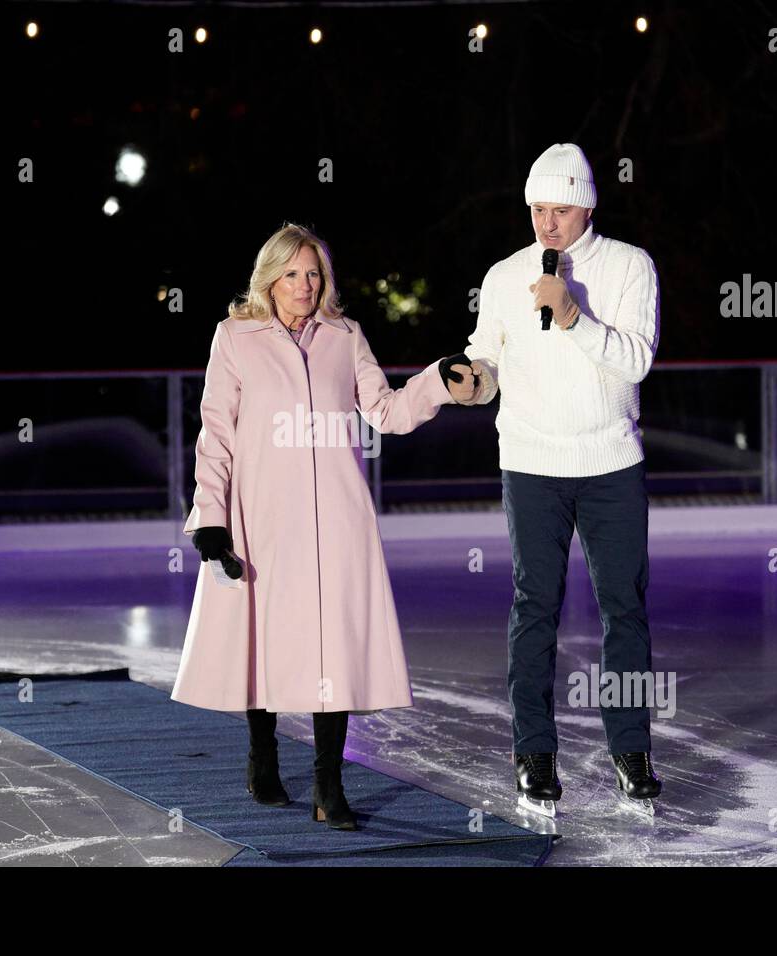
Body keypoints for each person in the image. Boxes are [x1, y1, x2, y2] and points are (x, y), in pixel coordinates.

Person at [173, 223, 475, 830]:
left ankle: (328, 785)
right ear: (269, 279)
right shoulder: (236, 338)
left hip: (337, 518)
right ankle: (263, 756)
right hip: (262, 515)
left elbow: (385, 411)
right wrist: (210, 518)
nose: (304, 286)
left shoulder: (345, 336)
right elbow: (217, 434)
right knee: (264, 637)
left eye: (313, 274)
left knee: (330, 643)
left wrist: (438, 380)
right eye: (292, 274)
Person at [454, 143, 664, 815]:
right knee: (534, 608)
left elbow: (634, 362)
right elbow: (487, 363)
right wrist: (471, 383)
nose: (548, 224)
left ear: (589, 206)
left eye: (561, 209)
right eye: (538, 209)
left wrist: (572, 315)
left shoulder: (631, 266)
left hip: (611, 466)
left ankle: (631, 751)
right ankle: (534, 756)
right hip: (531, 465)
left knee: (623, 611)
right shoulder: (504, 275)